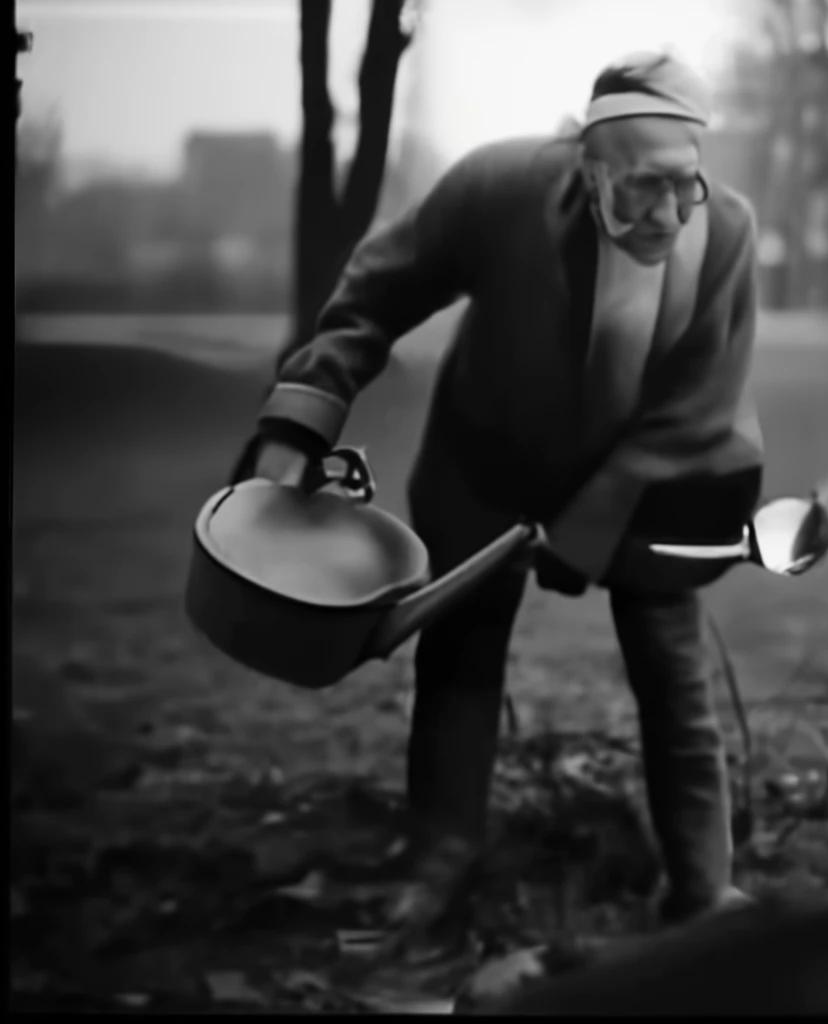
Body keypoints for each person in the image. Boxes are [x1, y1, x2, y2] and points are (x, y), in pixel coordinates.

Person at [231, 52, 765, 963]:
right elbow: (376, 294)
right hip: (483, 466)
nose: (669, 215)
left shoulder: (728, 235)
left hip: (649, 480)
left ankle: (703, 889)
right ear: (588, 168)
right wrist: (299, 424)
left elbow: (697, 405)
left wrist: (582, 535)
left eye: (686, 185)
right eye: (642, 188)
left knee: (673, 672)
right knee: (460, 662)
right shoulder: (499, 189)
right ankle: (438, 867)